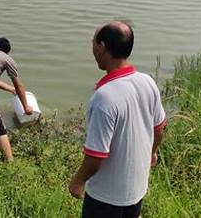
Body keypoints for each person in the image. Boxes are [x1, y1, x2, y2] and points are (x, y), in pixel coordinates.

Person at [69, 21, 167, 218]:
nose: (92, 48)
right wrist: (152, 153)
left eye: (93, 42)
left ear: (102, 47)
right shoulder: (147, 81)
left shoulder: (105, 96)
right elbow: (159, 128)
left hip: (105, 197)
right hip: (136, 189)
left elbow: (96, 156)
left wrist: (78, 181)